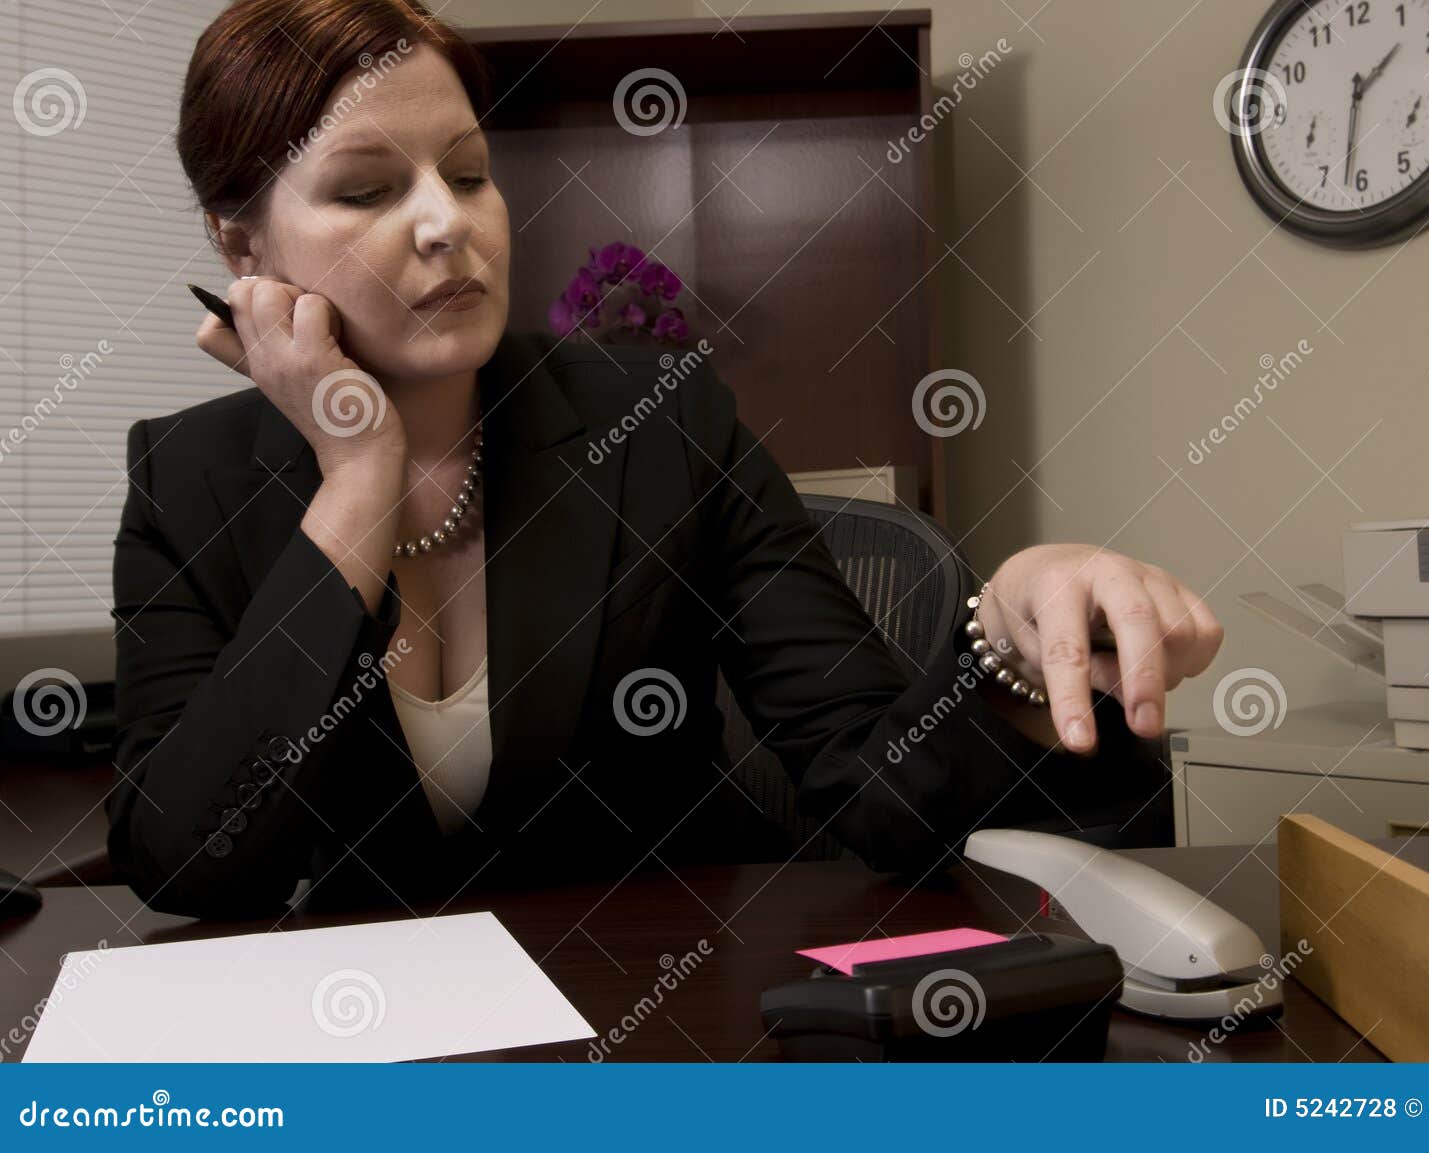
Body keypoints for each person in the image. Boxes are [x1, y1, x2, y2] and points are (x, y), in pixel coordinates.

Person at [107, 0, 1223, 919]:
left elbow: (878, 790)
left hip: (654, 1016)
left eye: (468, 170)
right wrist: (356, 479)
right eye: (366, 190)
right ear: (240, 242)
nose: (447, 222)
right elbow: (191, 863)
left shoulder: (659, 419)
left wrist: (1012, 647)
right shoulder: (184, 480)